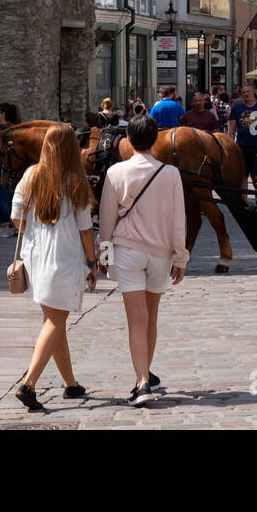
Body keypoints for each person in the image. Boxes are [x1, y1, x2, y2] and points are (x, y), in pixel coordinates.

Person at [97, 115, 187, 408]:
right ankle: (145, 372)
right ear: (155, 138)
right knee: (151, 316)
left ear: (129, 140)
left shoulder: (115, 172)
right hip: (160, 252)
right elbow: (178, 219)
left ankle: (142, 381)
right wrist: (180, 256)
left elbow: (107, 218)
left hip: (127, 250)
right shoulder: (171, 173)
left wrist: (104, 253)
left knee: (136, 318)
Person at [10, 122, 97, 411]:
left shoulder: (30, 175)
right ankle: (28, 384)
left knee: (53, 320)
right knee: (55, 321)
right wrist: (93, 262)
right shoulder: (76, 179)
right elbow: (86, 229)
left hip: (36, 254)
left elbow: (16, 217)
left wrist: (35, 229)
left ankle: (70, 384)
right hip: (65, 256)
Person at [0, 102, 22, 237]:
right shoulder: (18, 128)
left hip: (2, 166)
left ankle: (5, 228)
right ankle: (18, 227)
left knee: (2, 196)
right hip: (17, 166)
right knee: (17, 195)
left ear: (3, 114)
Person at [228, 84, 257, 190]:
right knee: (243, 176)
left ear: (253, 92)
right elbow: (231, 128)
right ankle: (244, 202)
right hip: (241, 146)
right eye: (243, 92)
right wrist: (230, 143)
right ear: (241, 94)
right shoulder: (236, 108)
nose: (246, 94)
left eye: (248, 92)